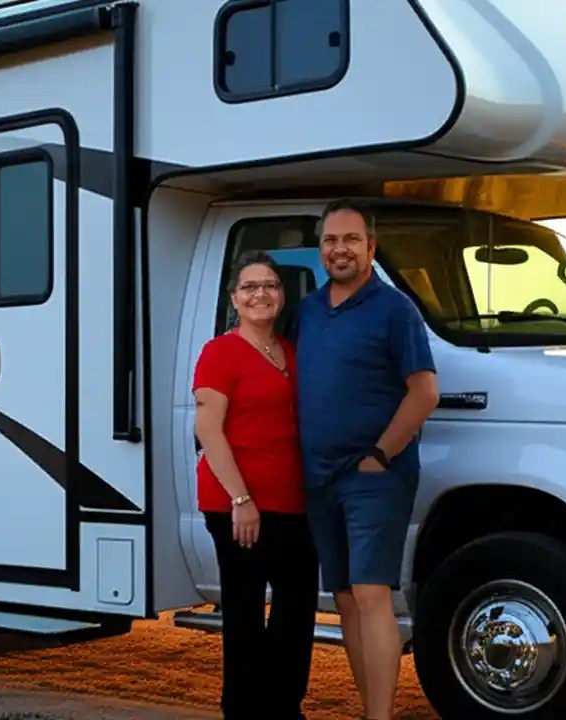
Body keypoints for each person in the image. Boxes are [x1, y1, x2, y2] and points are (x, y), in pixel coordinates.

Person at [294, 199, 440, 720]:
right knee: (345, 599)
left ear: (371, 247)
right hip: (318, 478)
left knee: (372, 591)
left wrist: (380, 455)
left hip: (374, 476)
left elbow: (424, 392)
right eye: (331, 240)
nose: (341, 249)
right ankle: (367, 709)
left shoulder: (395, 309)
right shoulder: (310, 310)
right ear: (321, 250)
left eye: (351, 239)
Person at [192, 250, 319, 720]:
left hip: (293, 503)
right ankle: (243, 710)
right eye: (249, 287)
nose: (260, 294)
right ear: (234, 298)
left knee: (296, 609)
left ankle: (284, 707)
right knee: (245, 614)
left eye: (269, 285)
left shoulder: (289, 350)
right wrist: (241, 500)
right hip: (237, 505)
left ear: (282, 295)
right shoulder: (219, 352)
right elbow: (209, 429)